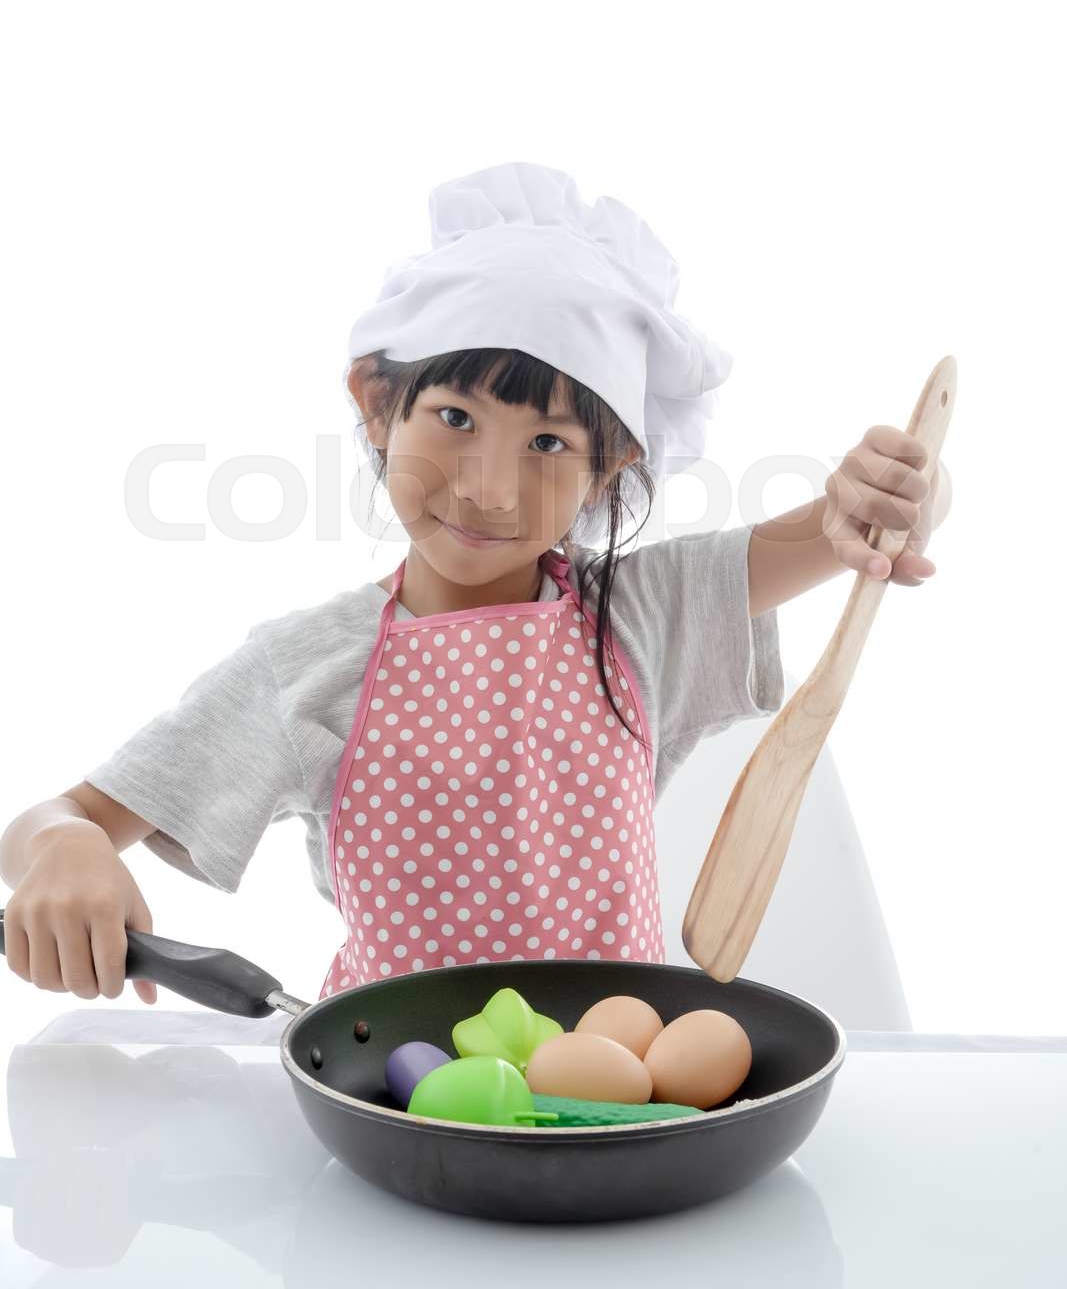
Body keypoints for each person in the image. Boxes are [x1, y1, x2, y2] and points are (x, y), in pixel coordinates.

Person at [0, 161, 950, 1006]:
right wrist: (63, 849)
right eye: (455, 416)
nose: (489, 487)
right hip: (395, 1091)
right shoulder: (307, 667)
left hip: (619, 1090)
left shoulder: (644, 613)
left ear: (608, 466)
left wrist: (904, 489)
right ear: (377, 403)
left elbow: (843, 524)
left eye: (547, 443)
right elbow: (61, 815)